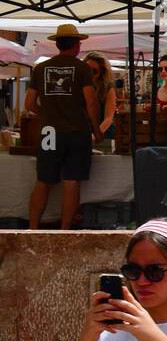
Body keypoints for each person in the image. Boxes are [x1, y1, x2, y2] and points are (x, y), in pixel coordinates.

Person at [26, 23, 99, 229]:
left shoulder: (40, 68)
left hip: (49, 132)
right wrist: (97, 128)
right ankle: (64, 231)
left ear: (57, 44)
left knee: (43, 180)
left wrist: (47, 113)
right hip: (77, 132)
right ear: (76, 45)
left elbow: (29, 104)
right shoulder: (82, 68)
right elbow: (91, 102)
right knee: (72, 181)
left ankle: (32, 230)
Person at [83, 51, 117, 153]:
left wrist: (94, 136)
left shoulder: (108, 88)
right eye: (87, 69)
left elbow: (108, 118)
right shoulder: (80, 86)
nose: (90, 74)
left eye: (94, 71)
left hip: (104, 136)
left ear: (101, 72)